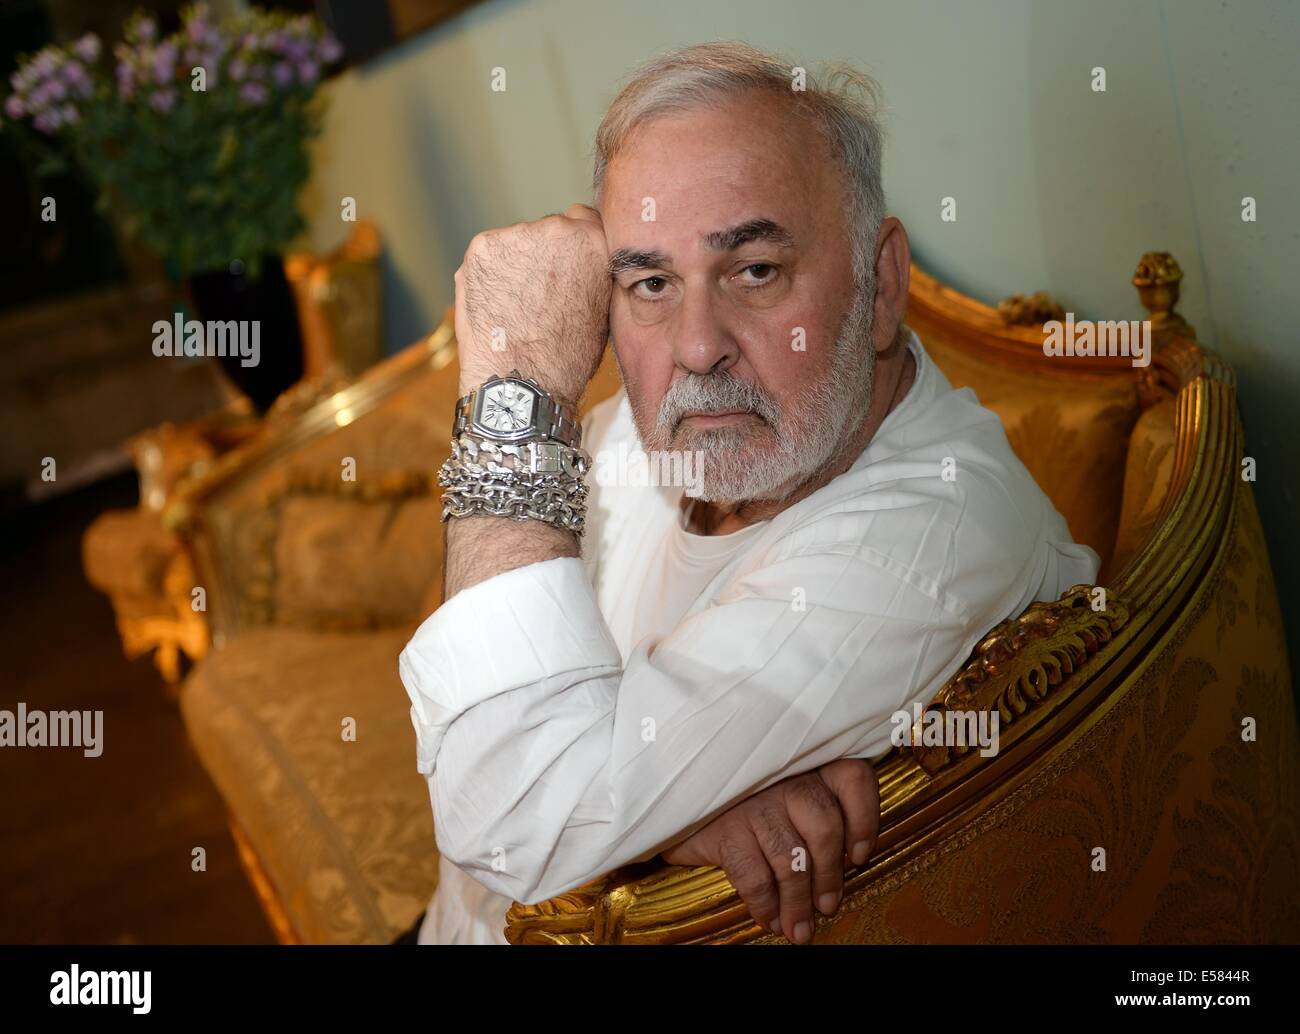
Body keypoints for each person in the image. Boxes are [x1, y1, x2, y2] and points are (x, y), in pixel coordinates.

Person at [396, 41, 1098, 945]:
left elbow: (508, 808)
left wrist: (518, 394)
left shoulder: (923, 544)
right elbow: (488, 699)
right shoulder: (672, 445)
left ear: (879, 285)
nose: (697, 346)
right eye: (650, 282)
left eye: (754, 270)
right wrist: (669, 820)